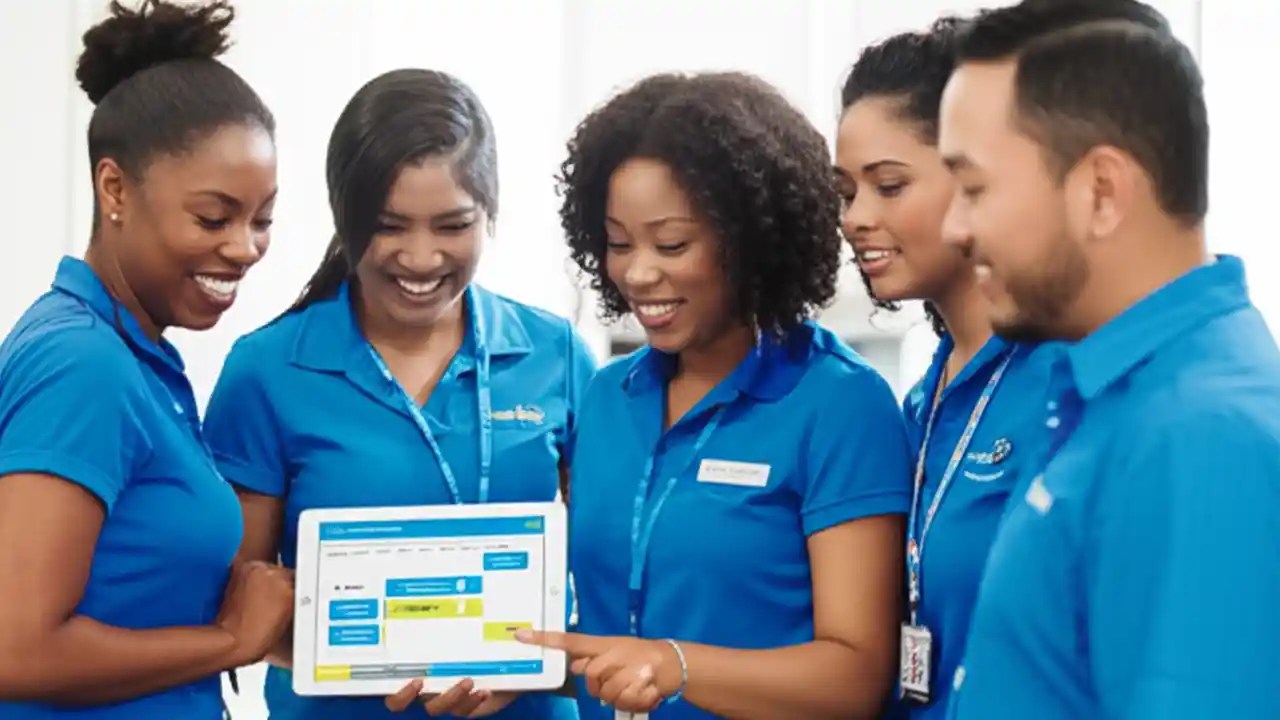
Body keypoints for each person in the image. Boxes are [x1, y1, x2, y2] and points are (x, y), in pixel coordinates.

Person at [515, 71, 912, 720]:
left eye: (671, 244)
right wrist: (516, 667)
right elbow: (619, 637)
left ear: (750, 239)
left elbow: (856, 675)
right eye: (618, 244)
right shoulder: (609, 396)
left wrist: (675, 665)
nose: (638, 273)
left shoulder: (841, 406)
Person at [202, 68, 592, 720]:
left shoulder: (556, 355)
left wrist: (536, 668)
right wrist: (369, 662)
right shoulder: (268, 371)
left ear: (489, 213)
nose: (420, 257)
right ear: (344, 216)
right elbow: (235, 598)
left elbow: (609, 572)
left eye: (452, 226)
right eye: (388, 225)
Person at [935, 1, 1280, 718]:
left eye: (973, 188)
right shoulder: (1111, 392)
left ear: (1101, 191)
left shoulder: (1202, 436)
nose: (954, 227)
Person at [0, 1, 293, 718]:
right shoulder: (83, 363)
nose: (244, 247)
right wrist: (229, 642)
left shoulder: (142, 358)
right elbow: (17, 650)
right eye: (213, 217)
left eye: (262, 220)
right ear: (116, 190)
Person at [834, 18, 1057, 718]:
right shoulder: (924, 400)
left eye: (889, 186)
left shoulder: (1062, 381)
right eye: (846, 193)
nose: (856, 218)